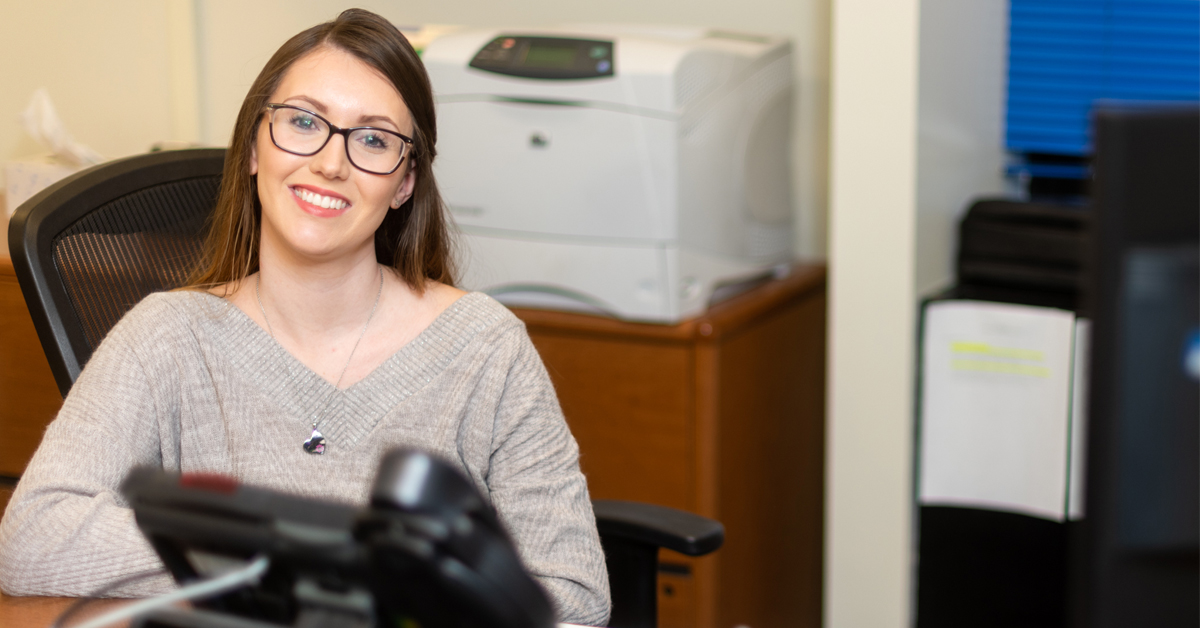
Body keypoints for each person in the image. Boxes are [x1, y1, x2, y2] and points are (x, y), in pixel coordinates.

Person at [0, 9, 610, 626]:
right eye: (302, 122)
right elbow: (31, 539)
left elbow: (576, 598)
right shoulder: (165, 335)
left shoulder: (487, 348)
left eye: (373, 139)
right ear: (255, 148)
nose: (330, 163)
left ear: (404, 183)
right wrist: (298, 562)